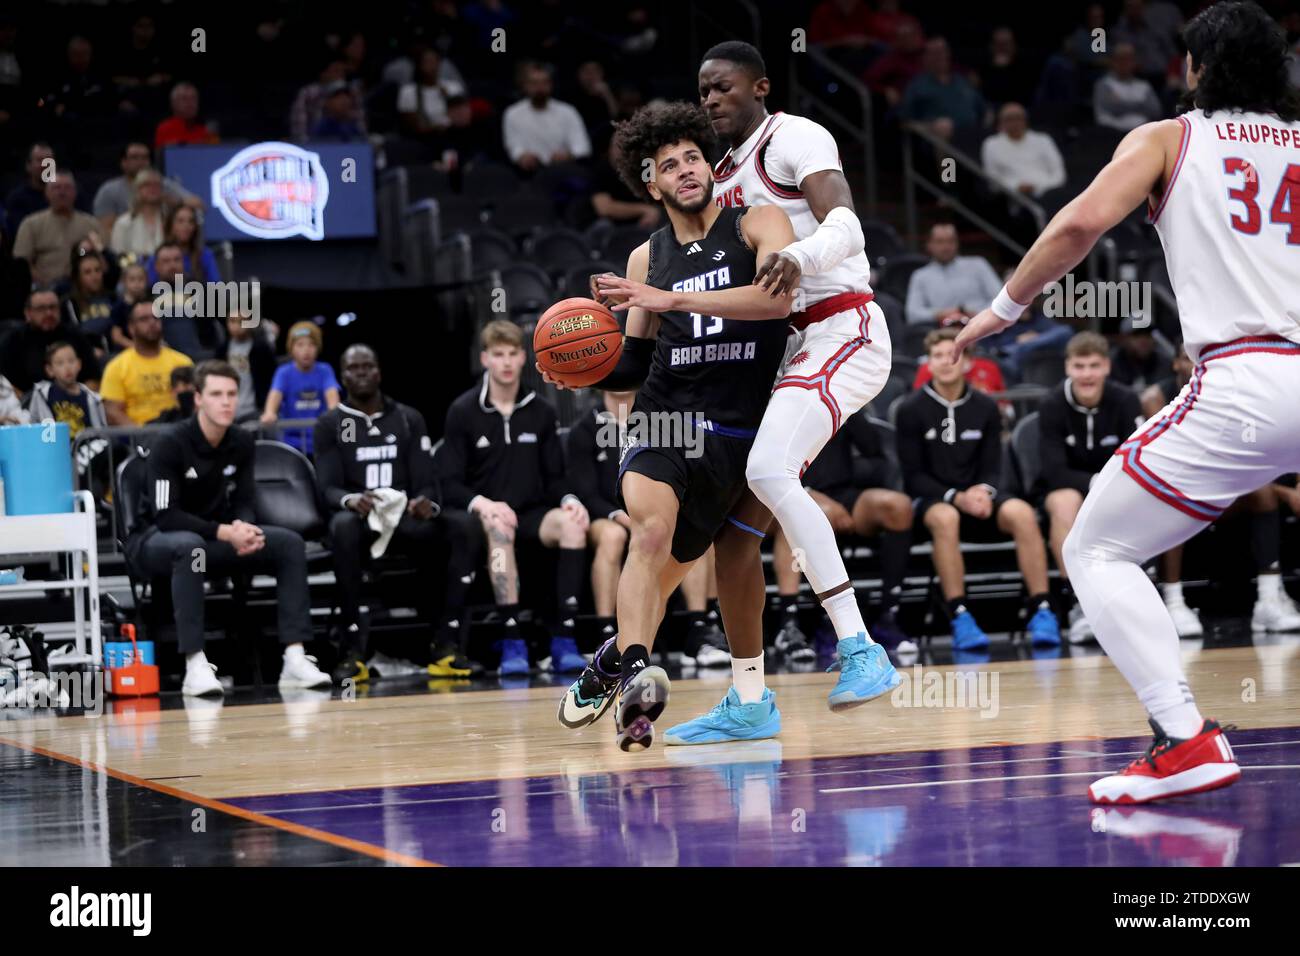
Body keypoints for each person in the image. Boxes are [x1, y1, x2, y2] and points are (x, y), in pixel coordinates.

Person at [954, 0, 1300, 804]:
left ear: (1198, 68)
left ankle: (1183, 739)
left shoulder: (1167, 138)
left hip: (1246, 383)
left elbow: (1077, 227)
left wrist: (1002, 309)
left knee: (1095, 548)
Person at [540, 100, 801, 748]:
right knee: (649, 534)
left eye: (692, 158)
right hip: (666, 422)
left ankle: (612, 657)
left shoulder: (756, 224)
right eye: (668, 165)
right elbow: (632, 362)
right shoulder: (645, 258)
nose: (685, 170)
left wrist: (671, 298)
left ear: (710, 167)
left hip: (740, 435)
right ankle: (635, 678)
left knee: (665, 578)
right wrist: (583, 373)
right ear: (650, 184)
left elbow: (778, 299)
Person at [689, 41, 904, 722]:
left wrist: (798, 254)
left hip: (845, 326)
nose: (711, 100)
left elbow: (844, 219)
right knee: (736, 531)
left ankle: (862, 647)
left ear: (760, 86)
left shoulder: (796, 137)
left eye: (722, 87)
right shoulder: (721, 177)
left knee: (770, 470)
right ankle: (749, 700)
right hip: (788, 345)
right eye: (702, 92)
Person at [124, 360, 330, 696]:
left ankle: (294, 657)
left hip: (213, 540)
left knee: (288, 544)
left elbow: (246, 499)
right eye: (216, 394)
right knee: (191, 549)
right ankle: (195, 664)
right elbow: (167, 516)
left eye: (232, 394)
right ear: (198, 399)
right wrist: (225, 532)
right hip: (155, 541)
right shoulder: (170, 444)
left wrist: (243, 527)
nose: (226, 402)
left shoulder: (241, 441)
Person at [315, 344, 481, 682]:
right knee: (342, 526)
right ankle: (352, 651)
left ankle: (447, 644)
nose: (361, 373)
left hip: (404, 519)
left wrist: (424, 502)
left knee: (463, 525)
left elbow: (428, 483)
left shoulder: (407, 417)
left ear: (379, 371)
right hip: (363, 521)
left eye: (368, 366)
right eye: (353, 368)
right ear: (342, 376)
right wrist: (350, 499)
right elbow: (327, 487)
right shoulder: (330, 424)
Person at [440, 320, 590, 677]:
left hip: (534, 512)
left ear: (524, 358)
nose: (506, 362)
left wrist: (570, 499)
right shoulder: (462, 411)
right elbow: (449, 482)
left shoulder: (542, 411)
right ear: (485, 359)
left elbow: (556, 477)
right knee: (499, 527)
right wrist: (485, 504)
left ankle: (564, 638)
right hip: (490, 517)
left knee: (572, 525)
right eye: (498, 355)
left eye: (512, 354)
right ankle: (512, 639)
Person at [898, 328, 1059, 649]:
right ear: (928, 363)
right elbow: (913, 477)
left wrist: (983, 492)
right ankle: (960, 615)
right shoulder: (910, 409)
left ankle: (1043, 608)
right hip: (934, 503)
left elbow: (992, 466)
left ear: (968, 362)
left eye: (953, 355)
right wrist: (957, 497)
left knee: (1022, 512)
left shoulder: (985, 407)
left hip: (979, 499)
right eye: (938, 356)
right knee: (946, 517)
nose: (946, 362)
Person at [1140, 348, 1300, 636]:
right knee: (1175, 494)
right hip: (1181, 486)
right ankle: (1174, 602)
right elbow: (1177, 459)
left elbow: (1253, 457)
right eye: (1187, 357)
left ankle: (1269, 599)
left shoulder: (1235, 394)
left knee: (1263, 493)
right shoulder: (1156, 398)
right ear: (1175, 362)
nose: (1194, 364)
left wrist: (1287, 489)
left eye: (1198, 357)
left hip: (1228, 487)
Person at [770, 411, 915, 655]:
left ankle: (888, 616)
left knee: (898, 507)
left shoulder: (834, 395)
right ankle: (794, 623)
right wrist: (812, 493)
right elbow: (767, 466)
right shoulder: (777, 400)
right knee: (807, 516)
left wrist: (851, 407)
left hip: (843, 492)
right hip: (790, 493)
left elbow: (873, 449)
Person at [1034, 332, 1145, 644]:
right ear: (1068, 368)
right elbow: (1054, 472)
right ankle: (1079, 604)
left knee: (1145, 496)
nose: (1086, 374)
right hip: (1070, 487)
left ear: (1107, 367)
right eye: (1079, 366)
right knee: (1065, 500)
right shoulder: (1052, 404)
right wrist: (1097, 483)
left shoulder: (1125, 400)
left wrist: (1107, 487)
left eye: (1094, 365)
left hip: (1116, 488)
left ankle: (1140, 599)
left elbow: (1136, 460)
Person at [99, 301, 194, 425]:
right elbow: (112, 412)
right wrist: (141, 437)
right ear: (131, 328)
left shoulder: (183, 362)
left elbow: (197, 403)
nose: (152, 323)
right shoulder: (117, 367)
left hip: (179, 430)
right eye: (144, 319)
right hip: (139, 436)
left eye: (156, 318)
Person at [0, 287, 100, 396]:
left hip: (75, 404)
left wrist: (82, 400)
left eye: (53, 307)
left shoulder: (75, 336)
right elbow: (6, 384)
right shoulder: (14, 340)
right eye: (41, 308)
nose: (48, 313)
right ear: (28, 313)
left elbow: (93, 378)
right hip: (28, 406)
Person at [259, 321, 340, 454]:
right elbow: (275, 395)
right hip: (291, 444)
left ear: (318, 347)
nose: (306, 350)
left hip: (321, 440)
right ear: (291, 348)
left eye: (311, 344)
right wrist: (269, 412)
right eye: (300, 345)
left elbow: (333, 400)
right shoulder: (283, 372)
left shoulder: (325, 370)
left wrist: (334, 413)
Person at [904, 222, 1003, 326]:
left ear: (957, 243)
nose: (946, 247)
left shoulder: (978, 265)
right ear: (929, 245)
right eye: (940, 241)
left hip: (982, 326)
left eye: (950, 241)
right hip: (942, 332)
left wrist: (977, 313)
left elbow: (1001, 299)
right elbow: (912, 314)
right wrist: (941, 314)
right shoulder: (920, 276)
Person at [11, 171, 100, 284]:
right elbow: (21, 263)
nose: (62, 192)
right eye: (56, 188)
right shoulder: (30, 224)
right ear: (47, 193)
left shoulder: (91, 224)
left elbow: (102, 261)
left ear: (75, 192)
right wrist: (41, 284)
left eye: (67, 188)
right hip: (43, 288)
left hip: (82, 289)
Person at [93, 142, 198, 237]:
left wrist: (169, 200)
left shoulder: (162, 184)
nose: (140, 162)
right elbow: (105, 229)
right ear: (123, 162)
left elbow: (199, 205)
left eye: (144, 157)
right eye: (135, 157)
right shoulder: (109, 190)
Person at [502, 61, 591, 172]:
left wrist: (568, 155)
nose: (540, 88)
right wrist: (522, 156)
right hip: (528, 174)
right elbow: (514, 146)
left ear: (551, 85)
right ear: (525, 86)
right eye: (534, 83)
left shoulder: (568, 111)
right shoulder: (512, 113)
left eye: (544, 82)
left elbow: (583, 146)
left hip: (564, 171)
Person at [980, 103, 1066, 199]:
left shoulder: (1043, 139)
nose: (1014, 122)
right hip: (1013, 198)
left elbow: (1059, 174)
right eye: (1009, 119)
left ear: (1025, 120)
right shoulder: (991, 144)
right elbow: (992, 179)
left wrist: (1038, 187)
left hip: (1049, 192)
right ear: (1001, 122)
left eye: (1018, 118)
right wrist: (1016, 187)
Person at [25, 341, 107, 439]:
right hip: (55, 449)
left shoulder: (91, 397)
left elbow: (100, 432)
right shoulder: (44, 394)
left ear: (79, 364)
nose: (67, 367)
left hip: (88, 449)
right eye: (60, 363)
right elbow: (37, 425)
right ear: (50, 370)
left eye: (71, 361)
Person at [216, 313, 275, 424]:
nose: (237, 326)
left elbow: (270, 381)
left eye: (242, 321)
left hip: (254, 411)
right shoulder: (222, 350)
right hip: (227, 409)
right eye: (232, 321)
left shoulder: (262, 349)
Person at [1093, 42, 1163, 132]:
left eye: (1128, 59)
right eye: (1120, 59)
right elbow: (1113, 108)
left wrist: (1123, 104)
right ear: (1113, 61)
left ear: (1134, 63)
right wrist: (1140, 105)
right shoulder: (1104, 84)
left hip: (1140, 134)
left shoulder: (1143, 85)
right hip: (1110, 134)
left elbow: (1156, 111)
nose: (1124, 63)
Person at [110, 169, 170, 259]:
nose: (153, 189)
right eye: (147, 185)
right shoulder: (123, 223)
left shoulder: (171, 220)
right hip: (135, 270)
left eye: (157, 185)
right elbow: (119, 256)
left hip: (171, 272)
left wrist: (177, 274)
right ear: (137, 190)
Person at [154, 82, 219, 150]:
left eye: (193, 98)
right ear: (173, 103)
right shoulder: (164, 129)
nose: (190, 103)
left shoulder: (206, 130)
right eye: (184, 99)